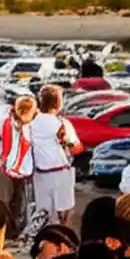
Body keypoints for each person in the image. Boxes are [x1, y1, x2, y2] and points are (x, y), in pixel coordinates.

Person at [29, 85, 81, 226]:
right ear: (58, 103)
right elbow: (77, 148)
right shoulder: (62, 124)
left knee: (43, 213)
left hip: (40, 174)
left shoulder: (31, 124)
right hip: (61, 172)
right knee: (64, 211)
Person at [0, 95, 37, 241]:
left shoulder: (28, 125)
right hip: (12, 168)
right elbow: (6, 148)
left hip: (21, 168)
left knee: (17, 200)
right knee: (5, 200)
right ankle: (2, 230)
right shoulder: (11, 124)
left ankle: (12, 231)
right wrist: (0, 167)